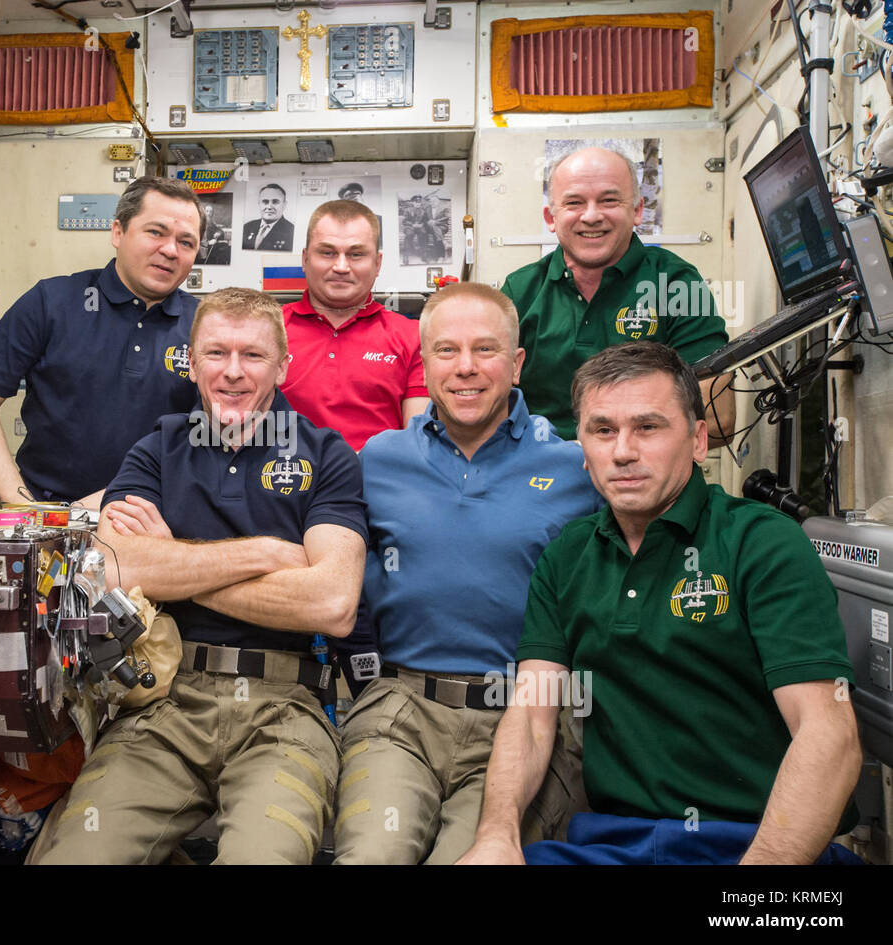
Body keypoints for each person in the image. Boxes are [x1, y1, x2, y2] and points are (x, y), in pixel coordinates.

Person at [460, 341, 862, 865]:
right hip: (611, 845)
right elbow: (533, 718)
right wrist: (497, 835)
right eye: (602, 430)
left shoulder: (762, 542)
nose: (622, 451)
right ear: (581, 446)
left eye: (647, 427)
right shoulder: (567, 556)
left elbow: (829, 735)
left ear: (698, 440)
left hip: (760, 845)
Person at [30, 287, 368, 865]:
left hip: (286, 711)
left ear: (284, 365)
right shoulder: (159, 448)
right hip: (162, 701)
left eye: (253, 355)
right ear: (191, 361)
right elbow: (114, 565)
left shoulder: (327, 455)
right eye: (216, 353)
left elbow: (332, 604)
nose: (232, 372)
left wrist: (174, 560)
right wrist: (268, 552)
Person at [334, 283, 601, 864]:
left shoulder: (578, 466)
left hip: (523, 721)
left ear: (518, 362)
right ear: (423, 362)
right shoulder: (378, 459)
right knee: (369, 856)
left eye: (486, 350)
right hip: (400, 712)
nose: (466, 369)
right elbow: (330, 568)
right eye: (446, 351)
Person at [0, 176, 202, 510]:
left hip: (155, 519)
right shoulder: (52, 302)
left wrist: (114, 500)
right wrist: (20, 502)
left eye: (186, 242)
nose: (170, 250)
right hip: (48, 518)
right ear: (118, 232)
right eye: (155, 232)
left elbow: (215, 436)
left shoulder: (207, 326)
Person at [501, 146, 735, 443]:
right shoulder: (520, 290)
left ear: (637, 210)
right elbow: (489, 409)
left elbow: (717, 419)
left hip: (648, 476)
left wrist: (610, 453)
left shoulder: (678, 284)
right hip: (544, 476)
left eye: (609, 200)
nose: (591, 216)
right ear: (551, 217)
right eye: (574, 203)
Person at [281, 199, 429, 453]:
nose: (340, 267)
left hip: (376, 487)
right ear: (305, 259)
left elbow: (417, 445)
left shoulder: (413, 337)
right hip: (284, 483)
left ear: (377, 263)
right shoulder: (268, 330)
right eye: (327, 253)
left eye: (356, 254)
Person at [241, 183, 295, 251]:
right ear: (259, 204)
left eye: (275, 202)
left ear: (284, 205)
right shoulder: (247, 227)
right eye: (265, 202)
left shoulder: (291, 231)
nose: (269, 207)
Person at [196, 199, 230, 266]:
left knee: (227, 248)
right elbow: (196, 239)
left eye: (211, 212)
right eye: (207, 211)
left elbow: (219, 230)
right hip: (202, 250)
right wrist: (208, 242)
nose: (209, 213)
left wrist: (218, 233)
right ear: (204, 212)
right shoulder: (199, 223)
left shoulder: (210, 222)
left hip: (210, 247)